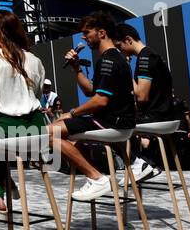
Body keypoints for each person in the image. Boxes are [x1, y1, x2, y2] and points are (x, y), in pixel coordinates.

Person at [50, 11, 136, 202]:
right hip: (114, 122)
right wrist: (76, 68)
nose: (83, 37)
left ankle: (97, 178)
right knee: (69, 140)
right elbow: (91, 91)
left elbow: (100, 101)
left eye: (87, 32)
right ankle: (96, 176)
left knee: (49, 133)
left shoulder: (109, 59)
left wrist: (71, 113)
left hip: (111, 122)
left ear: (102, 33)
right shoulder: (113, 57)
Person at [0, 10, 47, 215]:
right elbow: (38, 94)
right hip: (36, 130)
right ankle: (4, 182)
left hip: (6, 130)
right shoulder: (35, 60)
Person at [114, 23, 174, 183]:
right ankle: (146, 162)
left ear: (128, 40)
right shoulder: (152, 55)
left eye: (119, 46)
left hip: (155, 116)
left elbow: (141, 96)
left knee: (109, 125)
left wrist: (125, 67)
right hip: (162, 114)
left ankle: (141, 164)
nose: (120, 51)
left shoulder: (145, 58)